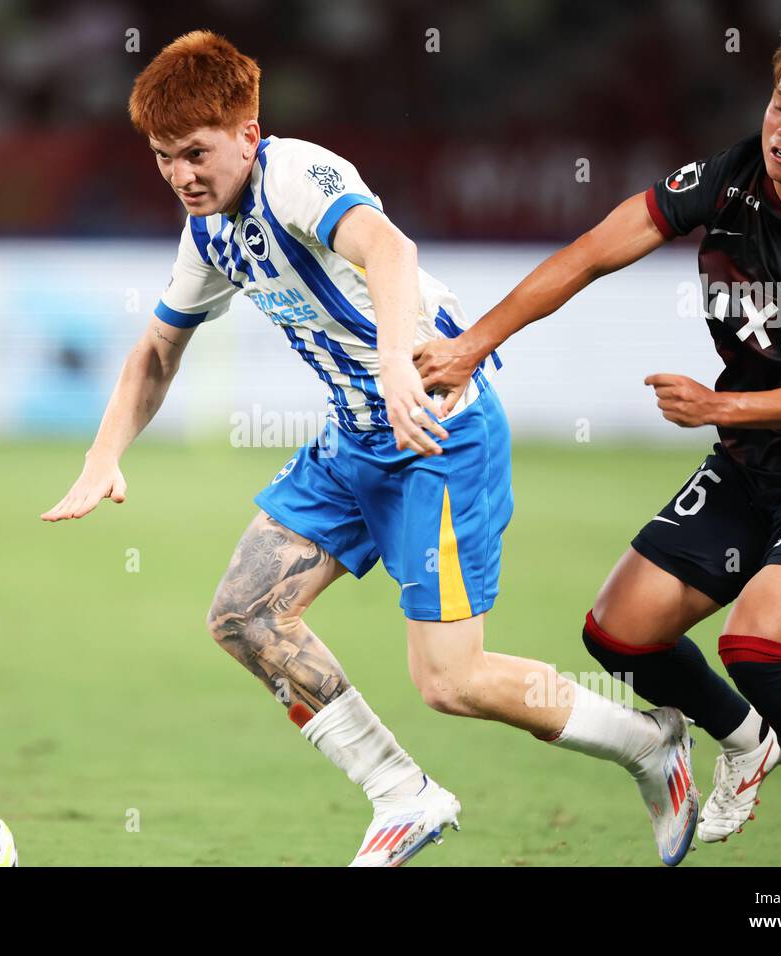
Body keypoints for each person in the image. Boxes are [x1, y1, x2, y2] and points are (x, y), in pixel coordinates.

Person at [44, 30, 701, 866]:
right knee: (243, 616)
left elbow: (389, 249)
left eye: (196, 153)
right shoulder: (207, 230)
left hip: (438, 429)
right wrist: (104, 457)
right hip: (354, 441)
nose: (180, 175)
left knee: (451, 683)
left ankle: (647, 743)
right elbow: (154, 351)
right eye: (164, 157)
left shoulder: (296, 175)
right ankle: (403, 794)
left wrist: (397, 362)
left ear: (248, 133)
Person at [415, 10, 781, 866]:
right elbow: (589, 254)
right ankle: (743, 739)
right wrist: (474, 346)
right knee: (618, 636)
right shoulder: (730, 178)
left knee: (755, 644)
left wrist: (719, 409)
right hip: (748, 461)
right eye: (779, 103)